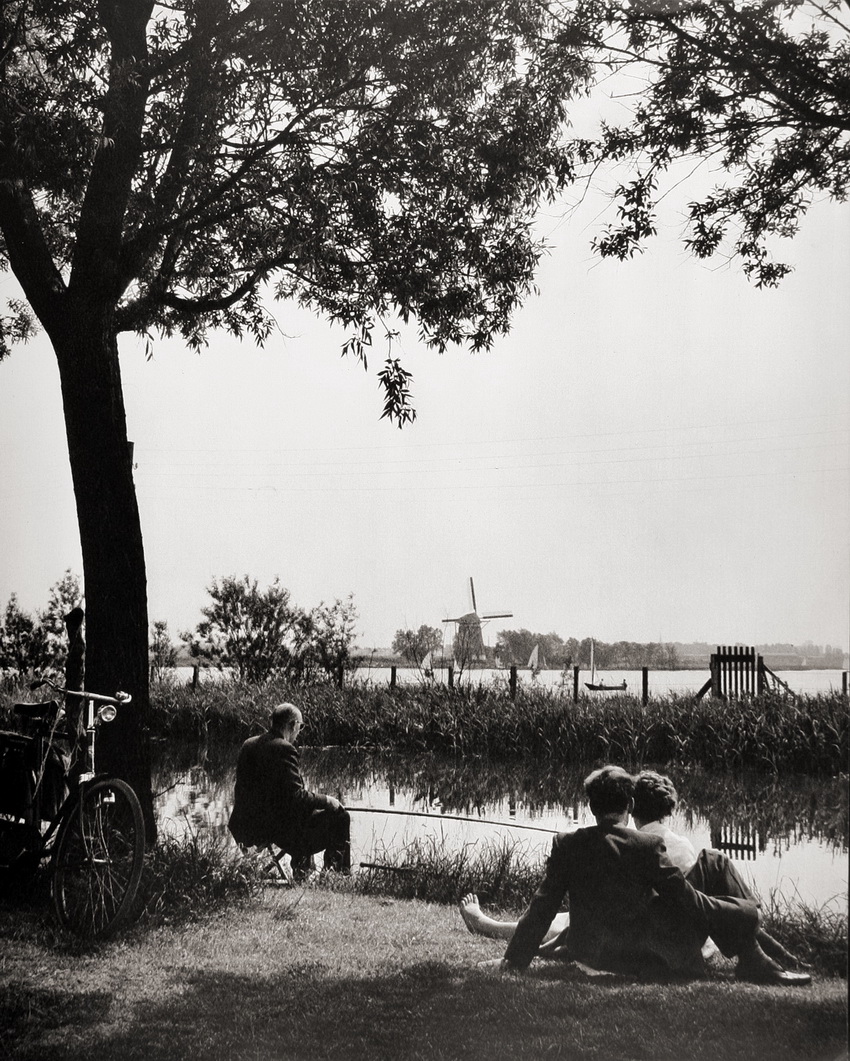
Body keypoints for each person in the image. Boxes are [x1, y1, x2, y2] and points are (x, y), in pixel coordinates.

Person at [483, 766, 809, 983]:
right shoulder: (648, 845)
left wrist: (513, 962)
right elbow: (689, 902)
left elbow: (542, 907)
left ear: (593, 807)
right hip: (641, 958)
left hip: (592, 954)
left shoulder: (568, 844)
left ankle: (753, 956)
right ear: (631, 804)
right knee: (712, 862)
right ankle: (753, 957)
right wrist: (746, 913)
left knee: (710, 864)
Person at [228, 702, 350, 878]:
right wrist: (327, 800)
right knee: (340, 817)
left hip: (244, 825)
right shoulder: (284, 749)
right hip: (273, 830)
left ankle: (302, 872)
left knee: (301, 813)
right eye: (300, 727)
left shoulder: (249, 744)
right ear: (292, 725)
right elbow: (296, 797)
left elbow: (271, 795)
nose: (299, 732)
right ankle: (335, 876)